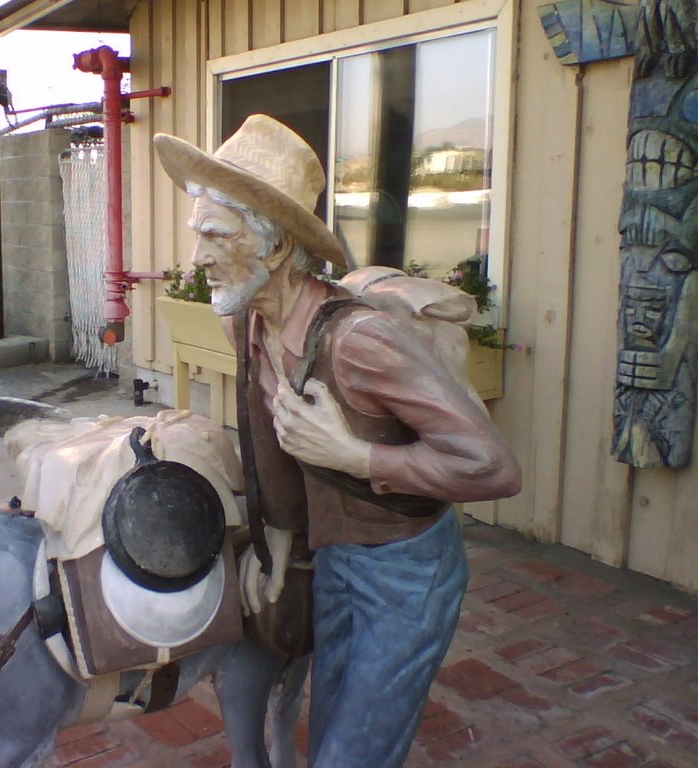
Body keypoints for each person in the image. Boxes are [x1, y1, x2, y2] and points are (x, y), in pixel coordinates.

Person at [154, 114, 522, 767]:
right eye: (197, 234)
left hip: (407, 571)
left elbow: (492, 466)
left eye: (215, 235)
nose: (197, 257)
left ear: (272, 248)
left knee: (354, 754)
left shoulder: (360, 342)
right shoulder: (251, 324)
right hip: (334, 559)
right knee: (327, 734)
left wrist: (358, 456)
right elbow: (267, 441)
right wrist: (276, 545)